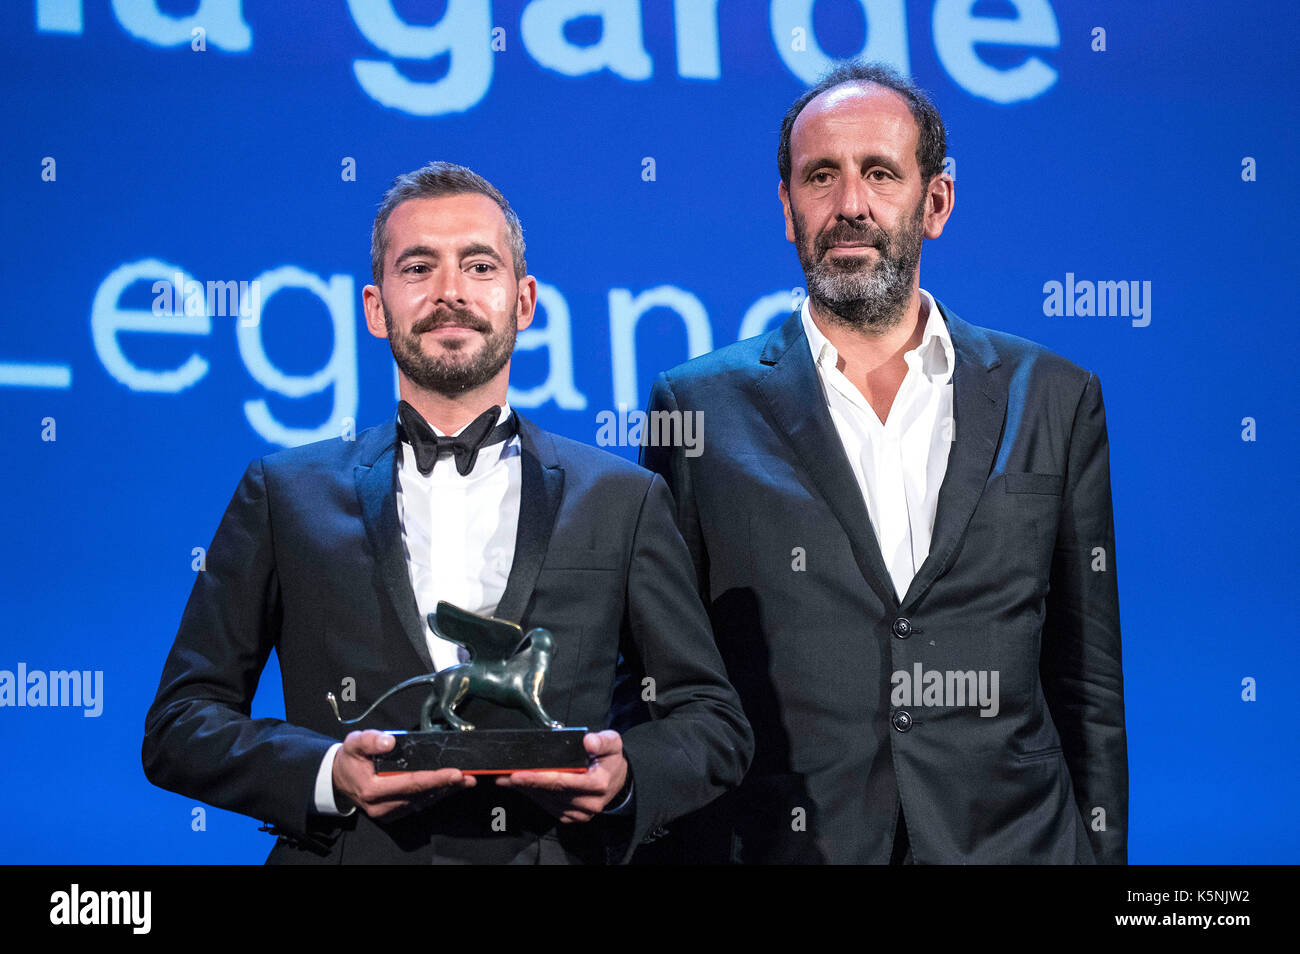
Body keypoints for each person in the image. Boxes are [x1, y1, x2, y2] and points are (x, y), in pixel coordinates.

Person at [142, 161, 753, 864]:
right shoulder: (284, 493)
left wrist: (625, 779)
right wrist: (326, 773)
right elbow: (181, 723)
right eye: (419, 268)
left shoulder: (623, 497)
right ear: (376, 308)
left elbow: (712, 721)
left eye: (479, 265)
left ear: (523, 301)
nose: (450, 292)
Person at [637, 61, 1128, 864]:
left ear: (935, 202)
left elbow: (1089, 687)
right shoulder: (697, 407)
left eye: (879, 173)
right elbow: (663, 681)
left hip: (1015, 845)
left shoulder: (1054, 397)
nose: (850, 205)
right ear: (789, 210)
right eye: (820, 177)